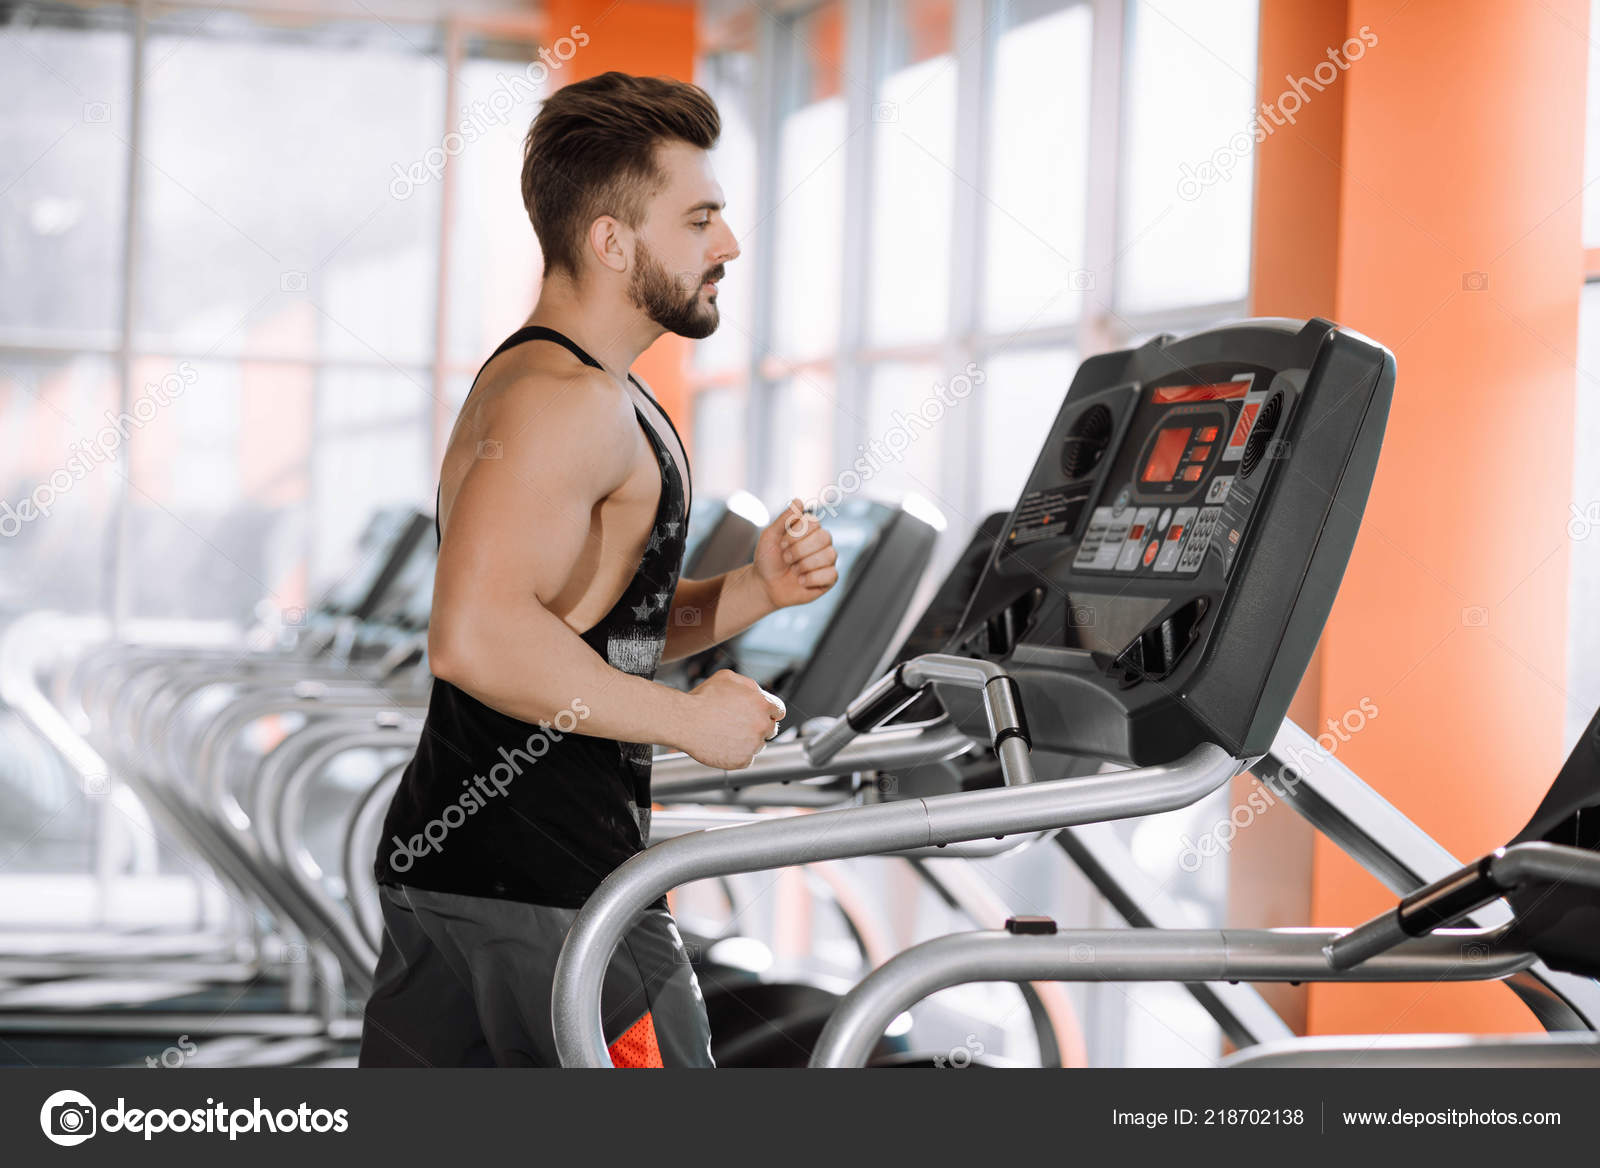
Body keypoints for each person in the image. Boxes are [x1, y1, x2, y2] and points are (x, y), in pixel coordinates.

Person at [358, 72, 838, 1068]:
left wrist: (752, 592)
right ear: (612, 241)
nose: (728, 244)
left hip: (471, 867)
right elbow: (477, 637)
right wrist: (689, 722)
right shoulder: (565, 399)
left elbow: (586, 629)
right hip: (552, 888)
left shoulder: (575, 383)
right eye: (699, 219)